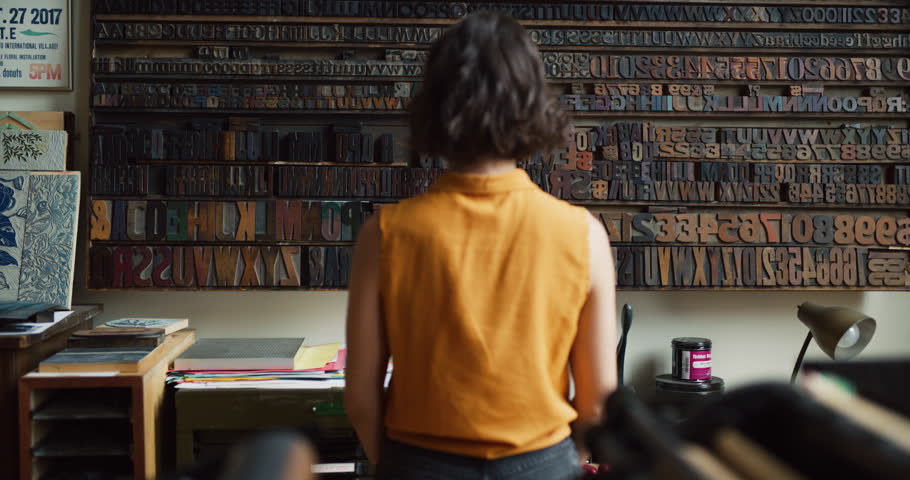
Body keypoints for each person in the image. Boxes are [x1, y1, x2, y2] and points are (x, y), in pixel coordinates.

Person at [345, 11, 617, 480]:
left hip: (418, 463)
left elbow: (360, 397)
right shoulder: (584, 234)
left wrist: (393, 464)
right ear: (532, 105)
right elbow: (598, 402)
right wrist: (562, 463)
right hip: (542, 462)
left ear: (434, 107)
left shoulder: (385, 233)